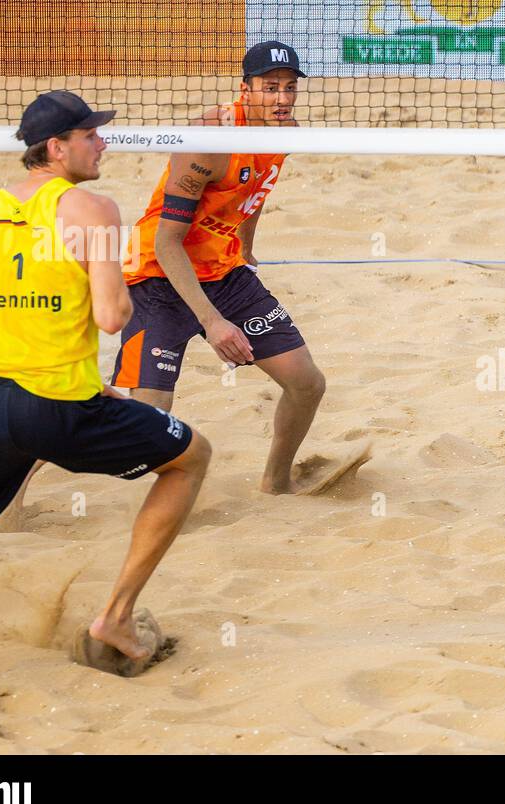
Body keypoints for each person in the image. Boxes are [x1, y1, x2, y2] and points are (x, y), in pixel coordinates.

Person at [0, 91, 212, 691]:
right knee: (191, 458)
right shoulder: (92, 208)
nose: (103, 142)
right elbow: (112, 315)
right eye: (92, 135)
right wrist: (106, 279)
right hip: (57, 405)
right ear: (57, 148)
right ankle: (117, 618)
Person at [112, 40, 326, 494]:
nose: (283, 99)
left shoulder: (284, 133)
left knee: (306, 383)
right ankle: (31, 457)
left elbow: (254, 195)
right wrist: (212, 323)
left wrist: (246, 249)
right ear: (245, 88)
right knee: (146, 418)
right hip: (159, 276)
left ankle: (276, 483)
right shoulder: (208, 139)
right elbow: (168, 241)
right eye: (271, 88)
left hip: (224, 272)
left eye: (290, 88)